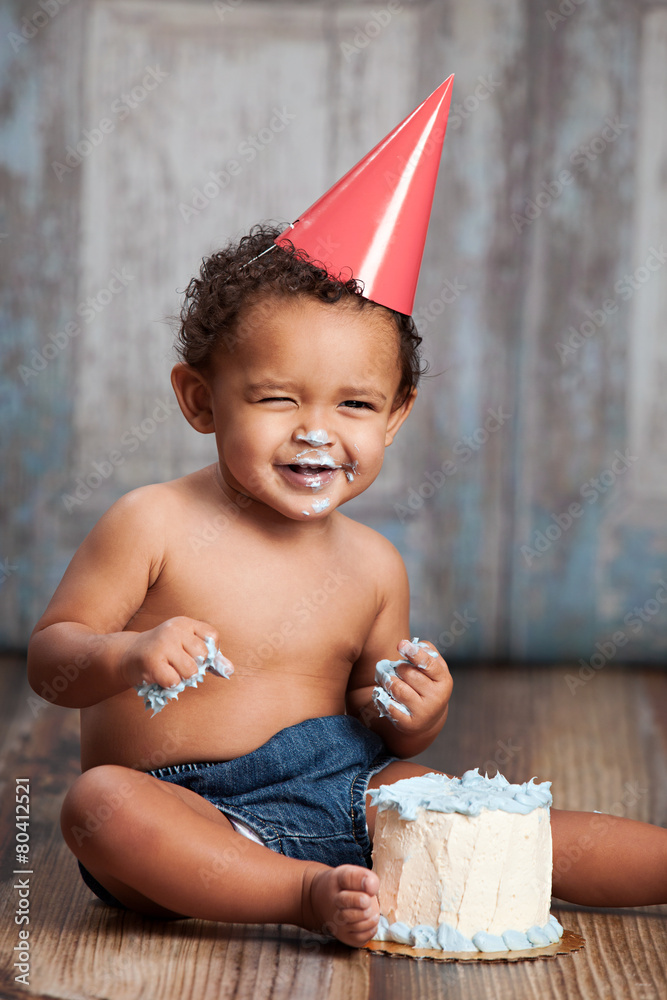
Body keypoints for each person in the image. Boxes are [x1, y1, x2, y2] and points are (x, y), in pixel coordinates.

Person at [27, 226, 667, 948]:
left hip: (342, 785)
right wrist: (126, 655)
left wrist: (416, 711)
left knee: (476, 815)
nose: (316, 433)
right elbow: (53, 662)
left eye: (354, 406)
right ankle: (300, 894)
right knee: (99, 806)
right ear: (200, 400)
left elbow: (374, 713)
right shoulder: (152, 522)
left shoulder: (372, 563)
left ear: (396, 415)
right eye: (276, 398)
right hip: (184, 810)